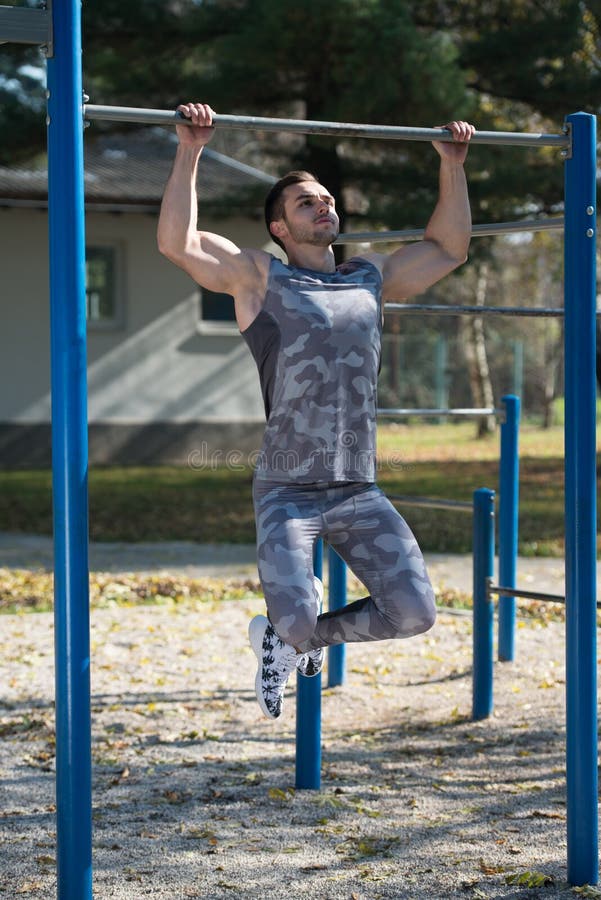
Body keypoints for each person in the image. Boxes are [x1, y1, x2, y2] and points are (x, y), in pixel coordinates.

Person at [158, 102, 475, 719]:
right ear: (279, 226)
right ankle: (291, 630)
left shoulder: (369, 276)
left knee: (413, 612)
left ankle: (295, 641)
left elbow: (449, 247)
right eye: (307, 202)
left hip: (358, 487)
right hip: (288, 491)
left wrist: (453, 164)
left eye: (327, 198)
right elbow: (179, 242)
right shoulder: (258, 279)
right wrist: (190, 148)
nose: (324, 205)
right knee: (297, 612)